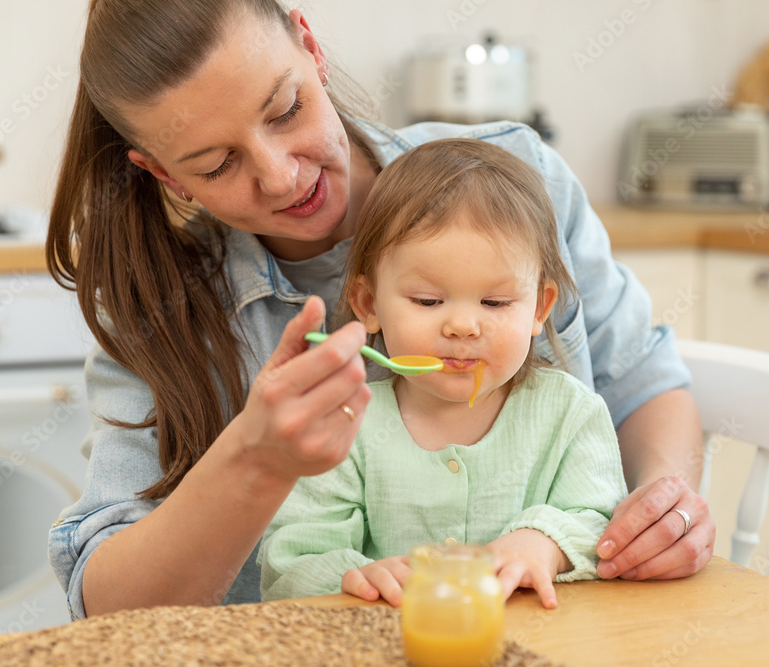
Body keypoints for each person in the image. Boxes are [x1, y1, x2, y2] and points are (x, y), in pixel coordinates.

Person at [47, 0, 713, 622]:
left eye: (285, 110)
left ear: (310, 48)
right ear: (164, 174)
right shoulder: (155, 303)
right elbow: (109, 608)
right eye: (219, 164)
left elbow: (643, 382)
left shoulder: (516, 176)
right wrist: (254, 460)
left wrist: (663, 504)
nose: (282, 176)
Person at [259, 138, 630, 609]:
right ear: (369, 305)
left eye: (495, 303)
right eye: (428, 302)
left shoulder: (572, 415)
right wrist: (354, 575)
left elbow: (601, 519)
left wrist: (545, 541)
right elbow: (292, 561)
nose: (462, 326)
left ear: (540, 308)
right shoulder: (344, 427)